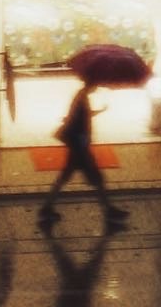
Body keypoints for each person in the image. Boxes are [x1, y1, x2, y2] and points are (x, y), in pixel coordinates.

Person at [40, 84, 115, 225]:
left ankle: (47, 207)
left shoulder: (81, 96)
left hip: (78, 146)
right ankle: (109, 210)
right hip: (80, 147)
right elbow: (78, 118)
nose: (96, 88)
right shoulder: (81, 97)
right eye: (96, 85)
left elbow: (81, 115)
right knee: (97, 179)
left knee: (66, 178)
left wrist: (99, 111)